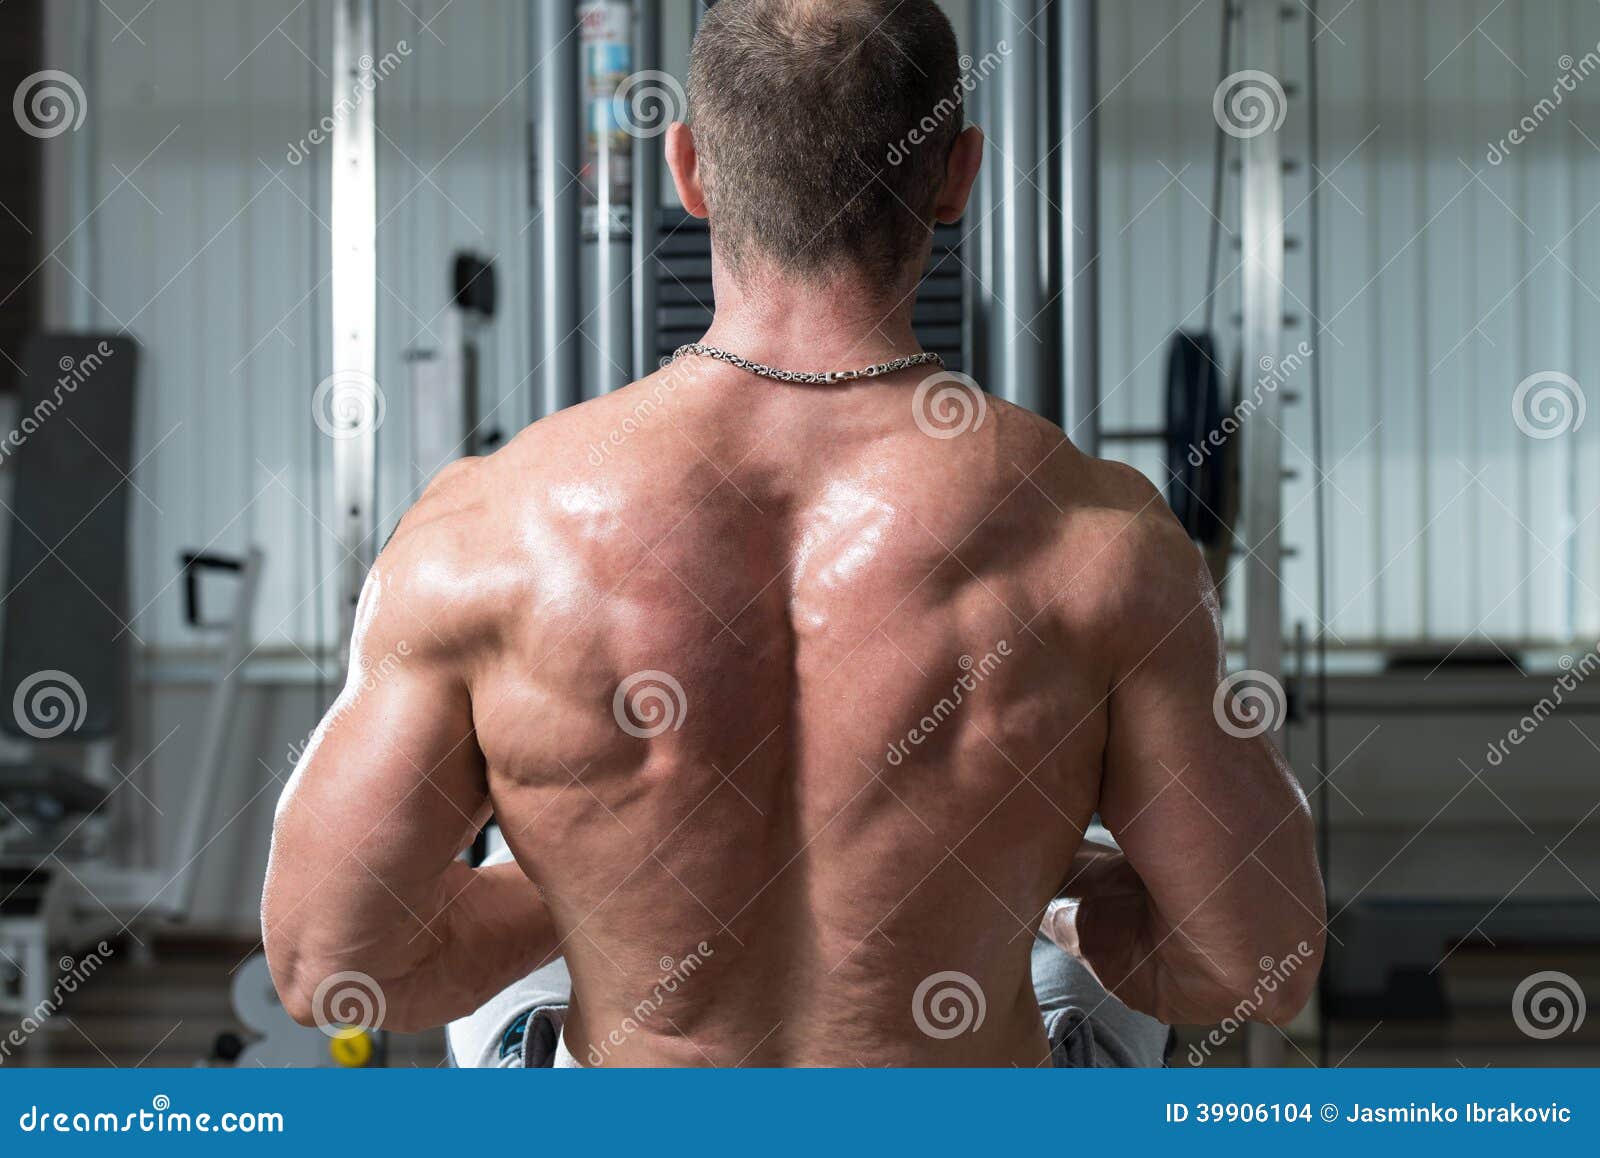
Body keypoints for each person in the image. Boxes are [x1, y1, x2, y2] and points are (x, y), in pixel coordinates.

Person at [263, 0, 1324, 1068]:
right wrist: (1059, 886)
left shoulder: (486, 531)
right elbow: (1253, 966)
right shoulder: (1098, 539)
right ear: (957, 176)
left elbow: (330, 963)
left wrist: (601, 889)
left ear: (688, 169)